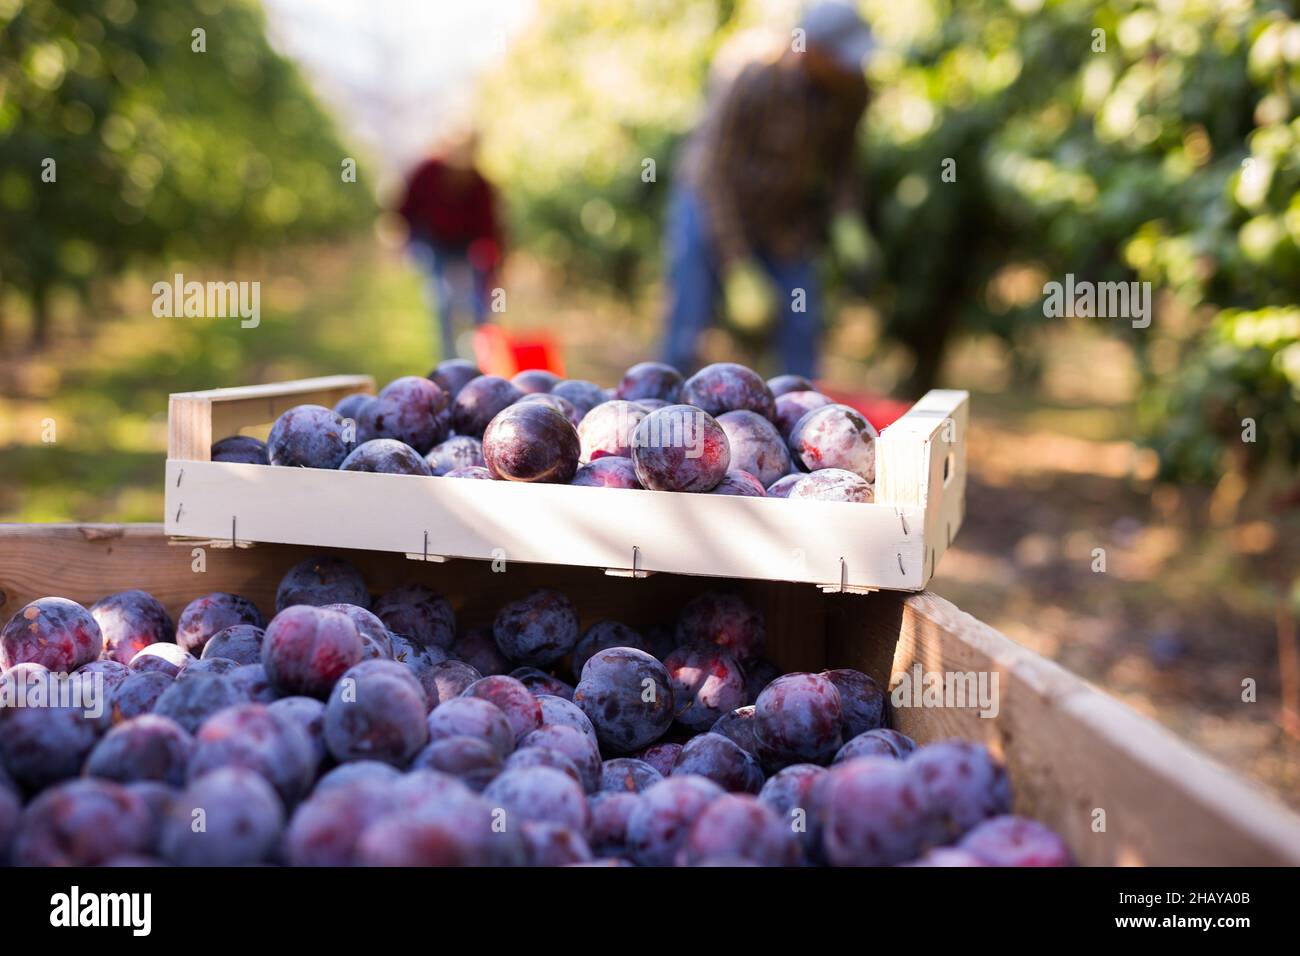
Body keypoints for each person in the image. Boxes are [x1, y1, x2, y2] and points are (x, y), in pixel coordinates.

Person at [662, 1, 875, 378]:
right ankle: (661, 417)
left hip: (783, 216)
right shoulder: (753, 73)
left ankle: (804, 416)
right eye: (840, 58)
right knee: (688, 324)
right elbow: (714, 172)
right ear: (811, 49)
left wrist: (846, 218)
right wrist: (737, 262)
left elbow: (844, 163)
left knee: (801, 319)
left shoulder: (850, 90)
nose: (850, 67)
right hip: (712, 203)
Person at [398, 132, 503, 360]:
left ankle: (482, 352)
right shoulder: (427, 173)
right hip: (432, 242)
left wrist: (492, 274)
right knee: (442, 298)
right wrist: (408, 240)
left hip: (464, 245)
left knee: (478, 303)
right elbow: (405, 209)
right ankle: (449, 358)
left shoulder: (480, 184)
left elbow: (490, 232)